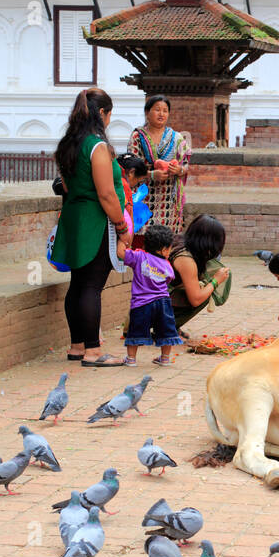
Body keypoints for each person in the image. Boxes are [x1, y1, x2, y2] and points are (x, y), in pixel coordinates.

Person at [51, 87, 130, 366]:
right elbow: (107, 193)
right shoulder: (97, 146)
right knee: (92, 286)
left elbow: (68, 186)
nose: (109, 120)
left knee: (78, 282)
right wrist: (121, 226)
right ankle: (94, 352)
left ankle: (77, 346)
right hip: (95, 221)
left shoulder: (67, 145)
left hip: (74, 218)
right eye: (109, 114)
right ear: (101, 113)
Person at [116, 222, 183, 365]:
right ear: (164, 250)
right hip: (163, 303)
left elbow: (121, 253)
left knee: (135, 330)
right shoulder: (167, 265)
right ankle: (165, 358)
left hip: (141, 303)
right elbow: (168, 279)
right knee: (166, 330)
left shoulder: (139, 257)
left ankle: (131, 359)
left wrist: (122, 239)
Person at [127, 96, 190, 235]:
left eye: (165, 111)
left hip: (168, 201)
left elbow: (185, 163)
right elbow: (131, 168)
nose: (161, 114)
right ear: (147, 112)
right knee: (142, 239)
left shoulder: (176, 138)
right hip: (144, 197)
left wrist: (179, 170)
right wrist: (151, 175)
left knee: (164, 240)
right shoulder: (138, 137)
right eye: (157, 110)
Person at [168, 213, 232, 337]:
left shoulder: (180, 241)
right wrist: (216, 281)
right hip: (151, 306)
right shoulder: (186, 259)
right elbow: (196, 299)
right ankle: (168, 327)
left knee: (202, 287)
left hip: (149, 302)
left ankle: (170, 325)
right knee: (206, 292)